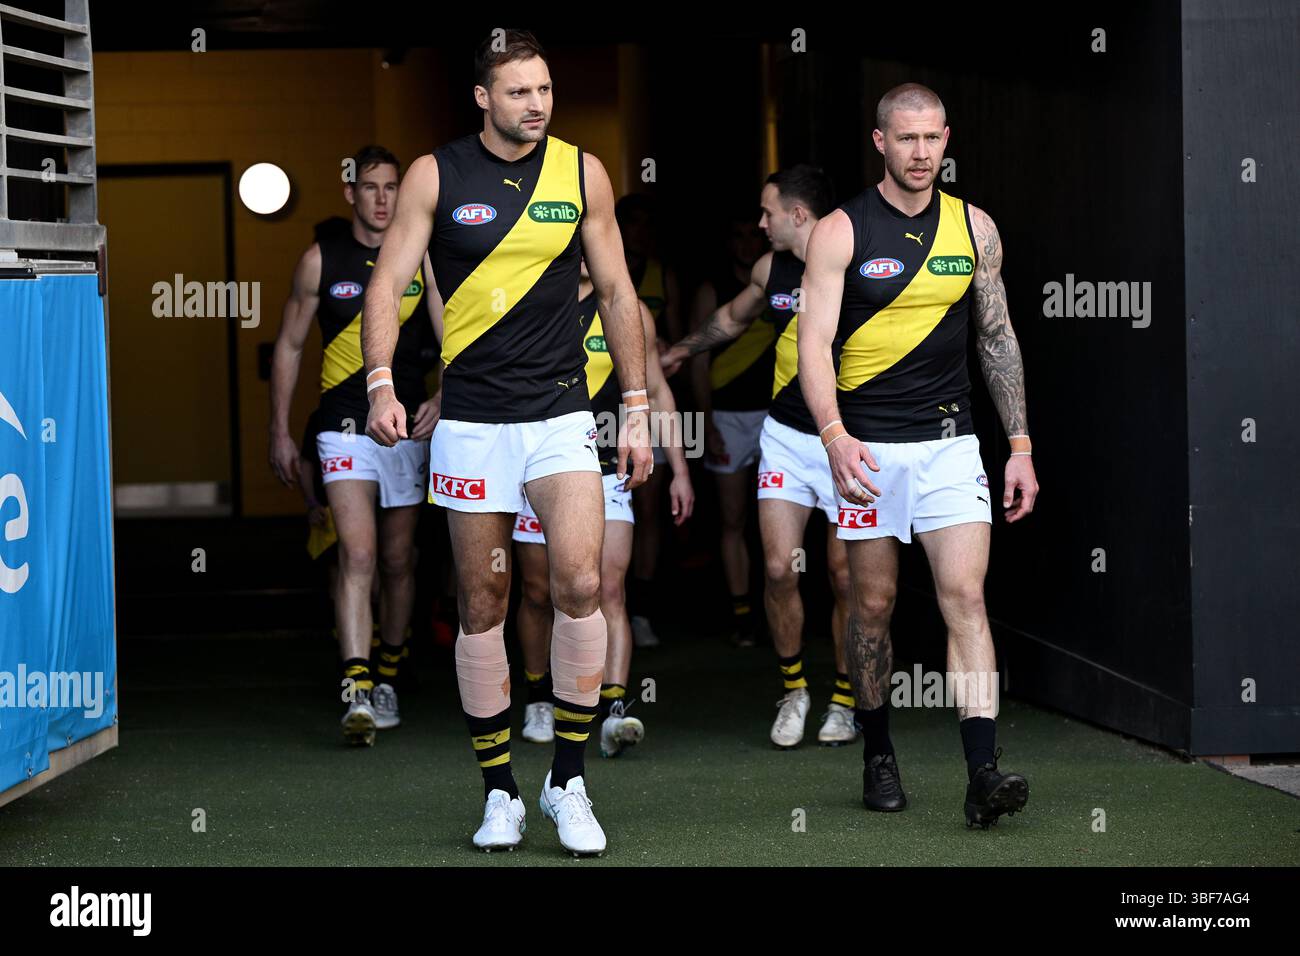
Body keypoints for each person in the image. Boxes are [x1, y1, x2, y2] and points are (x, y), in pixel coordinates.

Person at [362, 30, 653, 856]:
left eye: (546, 89)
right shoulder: (436, 174)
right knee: (483, 603)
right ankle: (499, 792)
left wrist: (635, 404)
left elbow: (621, 290)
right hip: (471, 424)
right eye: (520, 91)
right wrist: (382, 380)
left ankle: (569, 781)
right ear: (484, 98)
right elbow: (388, 280)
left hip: (562, 414)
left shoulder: (581, 171)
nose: (537, 104)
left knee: (579, 581)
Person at [797, 83, 1038, 826]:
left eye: (933, 138)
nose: (922, 153)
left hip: (950, 446)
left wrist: (1020, 444)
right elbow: (811, 343)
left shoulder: (975, 228)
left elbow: (996, 340)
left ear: (946, 138)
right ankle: (878, 751)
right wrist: (834, 435)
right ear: (880, 142)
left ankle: (982, 771)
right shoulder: (839, 231)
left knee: (965, 598)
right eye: (907, 139)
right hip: (865, 451)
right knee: (871, 605)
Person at [662, 166, 858, 747]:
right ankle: (794, 690)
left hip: (847, 439)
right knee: (778, 567)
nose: (760, 223)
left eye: (768, 212)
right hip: (787, 437)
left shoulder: (855, 264)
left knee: (845, 576)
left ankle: (845, 701)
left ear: (799, 215)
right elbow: (733, 317)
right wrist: (679, 350)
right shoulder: (771, 268)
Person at [269, 145, 438, 746]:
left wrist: (442, 400)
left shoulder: (425, 257)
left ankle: (390, 670)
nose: (384, 198)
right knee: (358, 556)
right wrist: (281, 429)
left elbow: (455, 337)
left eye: (393, 186)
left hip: (407, 428)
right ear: (351, 193)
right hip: (343, 427)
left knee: (398, 560)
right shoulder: (321, 259)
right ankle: (357, 689)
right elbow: (288, 345)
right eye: (371, 187)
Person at [514, 257, 693, 755]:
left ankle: (614, 708)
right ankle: (539, 696)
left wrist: (678, 468)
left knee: (609, 589)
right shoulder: (529, 296)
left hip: (607, 464)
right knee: (536, 591)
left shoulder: (627, 307)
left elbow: (655, 390)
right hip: (539, 465)